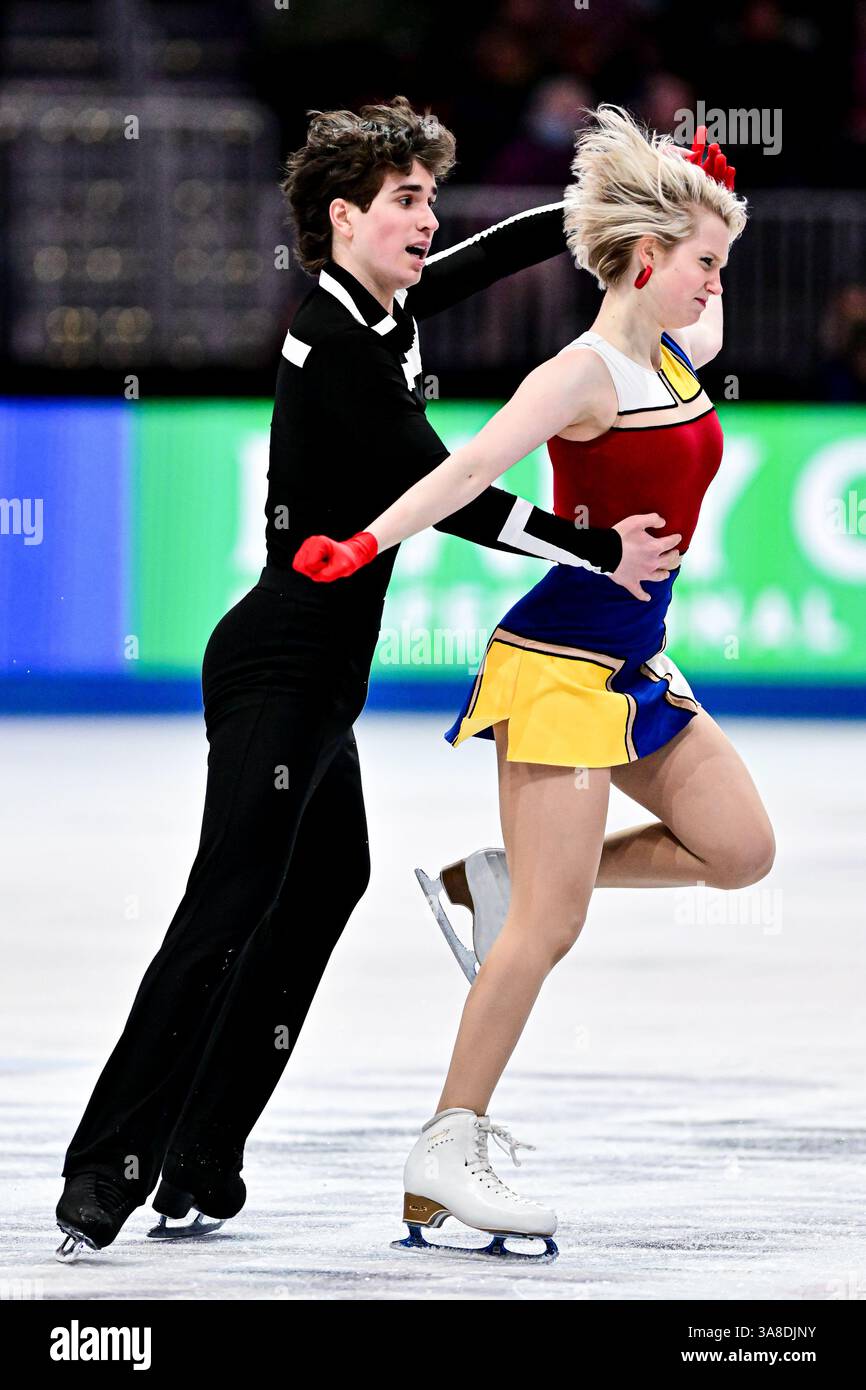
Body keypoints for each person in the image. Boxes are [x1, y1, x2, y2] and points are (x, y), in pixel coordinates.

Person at [53, 95, 672, 1262]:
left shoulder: (377, 304)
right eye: (404, 201)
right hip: (280, 665)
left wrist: (595, 204)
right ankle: (107, 1168)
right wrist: (599, 550)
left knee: (323, 878)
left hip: (318, 675)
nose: (428, 218)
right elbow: (452, 493)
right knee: (227, 905)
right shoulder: (336, 344)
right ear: (342, 219)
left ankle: (199, 1155)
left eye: (429, 196)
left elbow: (489, 254)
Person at [293, 106, 776, 1259]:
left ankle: (500, 877)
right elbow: (463, 469)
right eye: (705, 265)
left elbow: (692, 283)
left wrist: (692, 184)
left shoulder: (674, 345)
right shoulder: (580, 375)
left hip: (634, 661)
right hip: (560, 665)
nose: (717, 285)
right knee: (547, 930)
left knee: (741, 849)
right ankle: (446, 1145)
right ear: (650, 262)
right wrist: (361, 545)